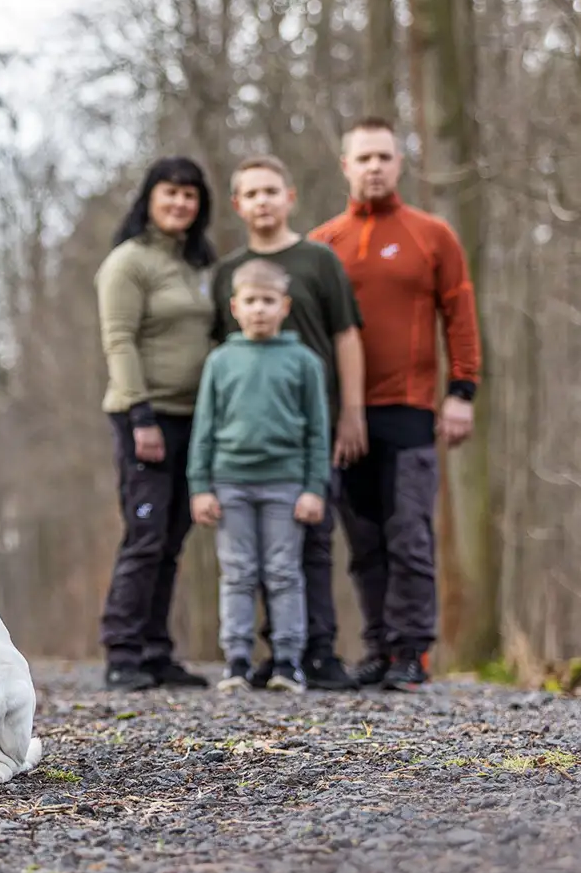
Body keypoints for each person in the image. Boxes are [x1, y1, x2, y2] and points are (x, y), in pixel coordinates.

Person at [308, 116, 482, 692]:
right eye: (364, 158)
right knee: (362, 539)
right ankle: (380, 648)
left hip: (410, 409)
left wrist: (462, 391)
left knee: (409, 532)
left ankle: (413, 651)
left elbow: (459, 315)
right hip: (342, 417)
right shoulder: (322, 244)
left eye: (384, 156)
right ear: (346, 166)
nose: (374, 167)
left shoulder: (432, 235)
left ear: (399, 163)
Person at [209, 155, 367, 691]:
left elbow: (346, 335)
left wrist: (351, 411)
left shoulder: (318, 261)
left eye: (271, 191)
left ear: (289, 195)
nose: (262, 201)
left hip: (304, 438)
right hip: (241, 458)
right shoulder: (228, 271)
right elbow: (219, 355)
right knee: (246, 566)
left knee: (307, 552)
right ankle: (255, 657)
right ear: (238, 204)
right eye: (251, 193)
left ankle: (308, 654)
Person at [94, 155, 218, 692]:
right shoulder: (128, 262)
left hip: (195, 418)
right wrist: (140, 415)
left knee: (172, 537)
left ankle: (156, 649)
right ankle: (123, 650)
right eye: (170, 193)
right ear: (149, 197)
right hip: (143, 415)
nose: (180, 203)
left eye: (189, 195)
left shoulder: (199, 266)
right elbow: (118, 339)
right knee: (145, 533)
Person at [188, 258, 330, 695]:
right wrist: (200, 486)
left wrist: (313, 487)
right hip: (230, 482)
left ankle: (288, 661)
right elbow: (205, 427)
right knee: (237, 572)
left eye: (268, 301)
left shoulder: (304, 362)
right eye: (251, 301)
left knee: (284, 572)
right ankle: (236, 660)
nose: (259, 309)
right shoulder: (221, 360)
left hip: (286, 484)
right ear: (235, 306)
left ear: (284, 306)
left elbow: (317, 429)